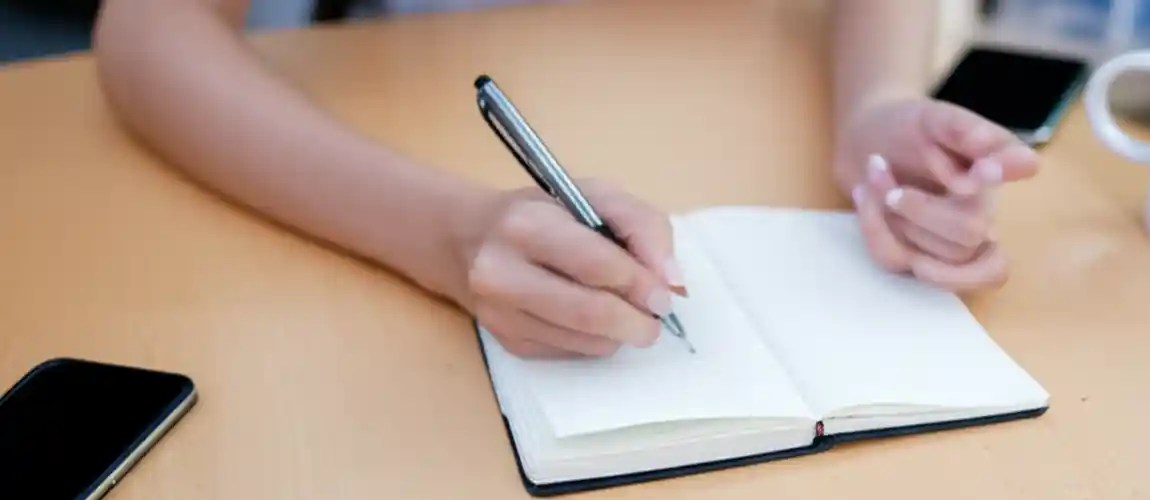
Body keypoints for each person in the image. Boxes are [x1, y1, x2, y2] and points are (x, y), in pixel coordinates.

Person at [92, 0, 1040, 359]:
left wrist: (874, 104)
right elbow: (147, 32)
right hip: (371, 176)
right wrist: (442, 232)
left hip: (746, 112)